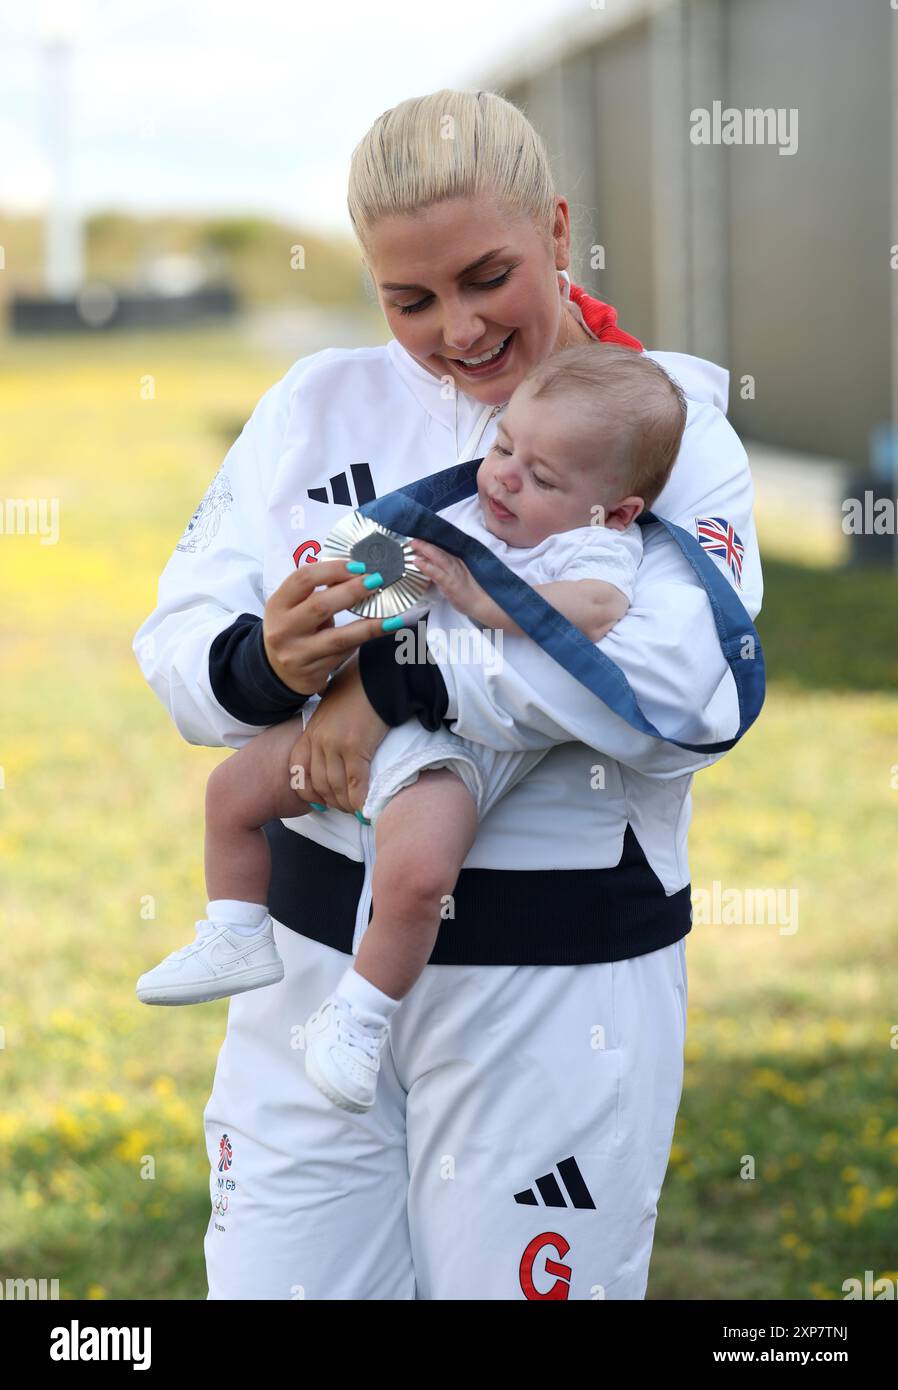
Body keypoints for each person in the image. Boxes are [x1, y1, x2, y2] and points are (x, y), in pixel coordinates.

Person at [132, 88, 762, 1300]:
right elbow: (179, 645)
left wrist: (402, 681)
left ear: (557, 227)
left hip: (556, 981)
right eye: (408, 298)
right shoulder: (313, 402)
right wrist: (270, 663)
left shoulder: (670, 420)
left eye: (487, 277)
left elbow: (683, 687)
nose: (457, 328)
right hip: (316, 973)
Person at [134, 345, 687, 1122]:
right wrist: (345, 604)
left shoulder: (595, 546)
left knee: (419, 878)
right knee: (233, 790)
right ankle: (234, 926)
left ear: (617, 508)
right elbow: (399, 563)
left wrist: (479, 592)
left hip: (450, 743)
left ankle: (359, 1015)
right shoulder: (474, 500)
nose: (504, 478)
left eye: (543, 477)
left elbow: (592, 611)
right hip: (360, 713)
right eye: (502, 447)